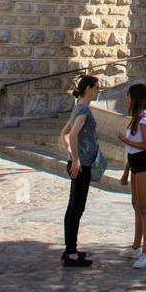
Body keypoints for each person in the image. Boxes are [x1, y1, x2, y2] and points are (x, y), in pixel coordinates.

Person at [60, 74, 100, 267]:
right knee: (77, 207)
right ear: (87, 89)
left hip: (77, 163)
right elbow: (73, 133)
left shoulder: (77, 108)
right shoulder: (84, 110)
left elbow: (63, 133)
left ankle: (70, 248)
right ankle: (71, 253)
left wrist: (69, 153)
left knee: (73, 206)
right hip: (81, 165)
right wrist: (76, 159)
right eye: (96, 88)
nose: (98, 91)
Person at [118, 83, 146, 269]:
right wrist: (125, 173)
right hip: (134, 165)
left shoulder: (144, 120)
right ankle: (135, 246)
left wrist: (126, 140)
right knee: (136, 205)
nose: (127, 100)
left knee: (143, 207)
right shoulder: (135, 119)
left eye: (129, 96)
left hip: (142, 166)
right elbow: (131, 149)